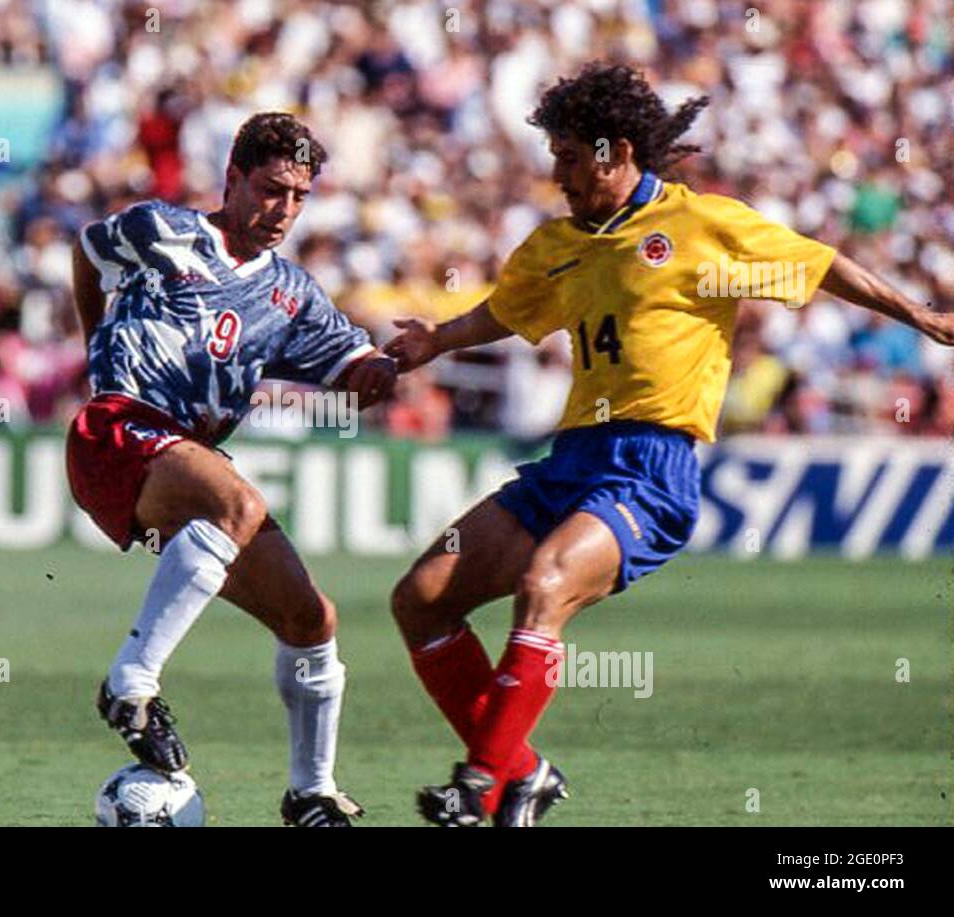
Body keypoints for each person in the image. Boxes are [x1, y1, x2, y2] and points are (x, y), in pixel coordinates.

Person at [384, 63, 954, 828]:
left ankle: (478, 786)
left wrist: (921, 313)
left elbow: (818, 267)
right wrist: (435, 341)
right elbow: (506, 311)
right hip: (570, 461)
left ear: (616, 152)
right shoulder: (556, 245)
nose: (556, 174)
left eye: (568, 158)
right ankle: (526, 773)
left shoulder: (701, 225)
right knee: (420, 597)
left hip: (650, 469)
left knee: (546, 586)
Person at [67, 111, 398, 827]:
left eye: (300, 196)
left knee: (310, 616)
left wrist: (390, 365)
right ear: (234, 179)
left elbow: (354, 366)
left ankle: (311, 791)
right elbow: (89, 253)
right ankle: (130, 682)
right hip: (118, 428)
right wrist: (96, 342)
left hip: (187, 461)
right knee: (237, 504)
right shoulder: (164, 231)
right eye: (272, 189)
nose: (284, 210)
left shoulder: (292, 295)